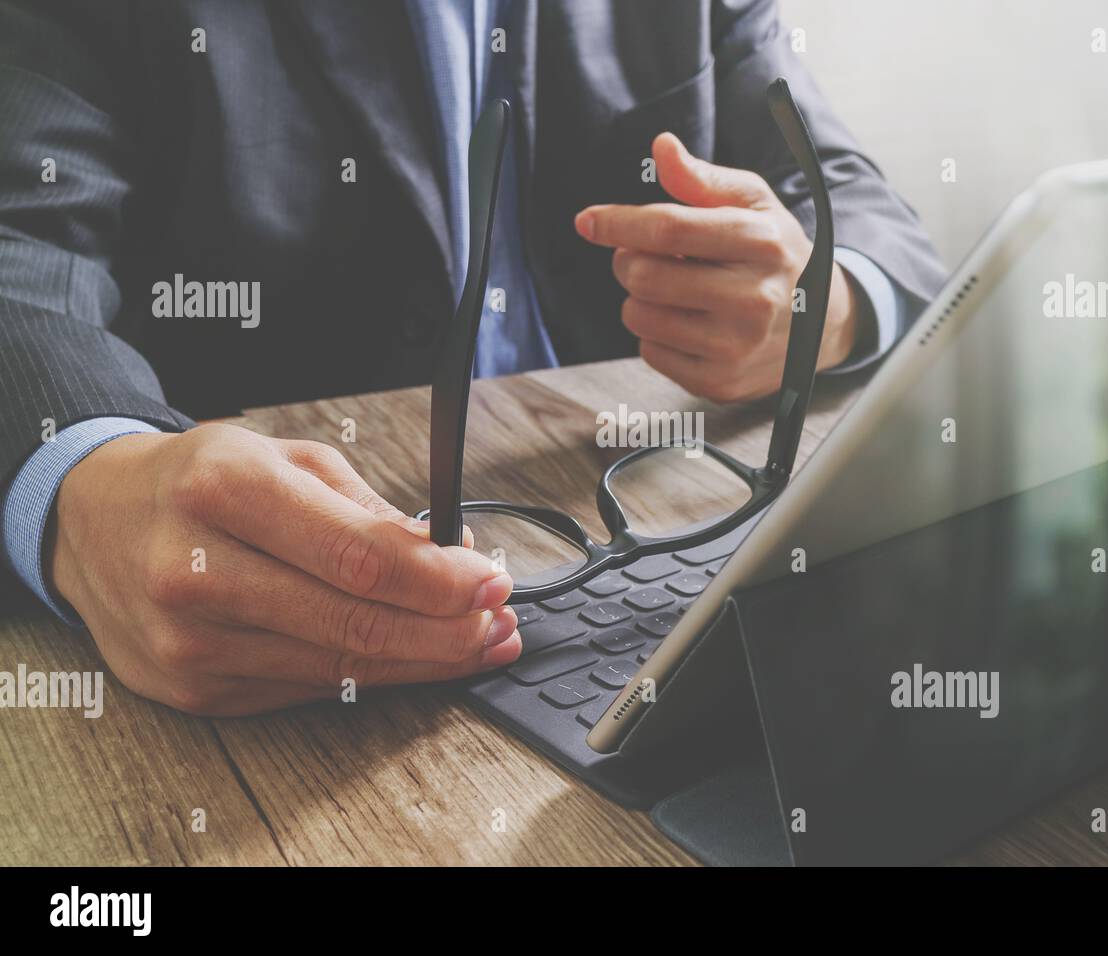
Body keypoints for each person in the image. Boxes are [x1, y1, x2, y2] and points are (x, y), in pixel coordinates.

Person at [0, 0, 946, 715]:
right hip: (285, 634)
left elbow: (853, 202)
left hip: (660, 527)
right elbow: (21, 262)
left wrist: (821, 303)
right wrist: (86, 480)